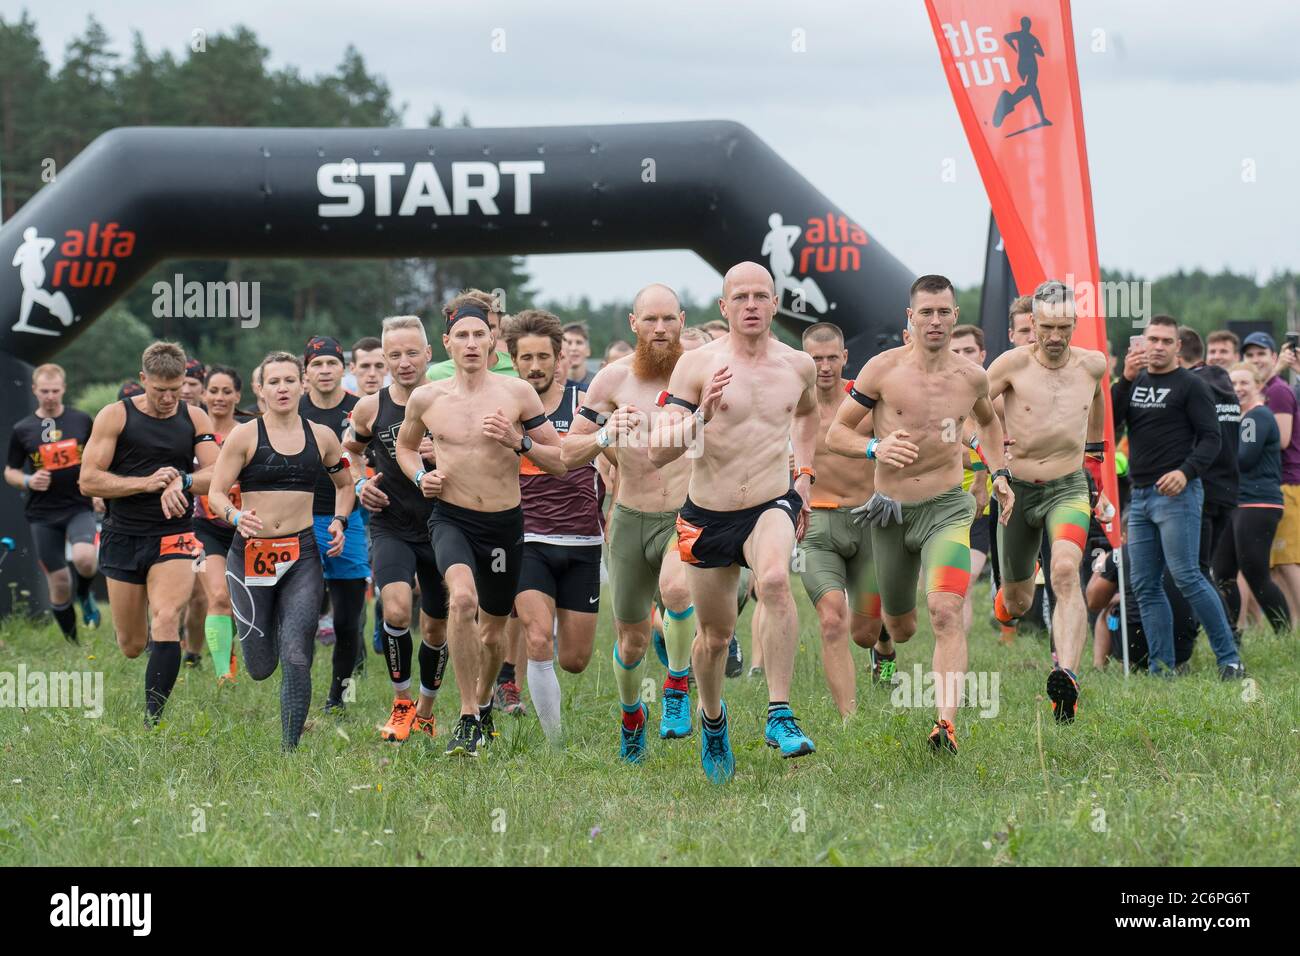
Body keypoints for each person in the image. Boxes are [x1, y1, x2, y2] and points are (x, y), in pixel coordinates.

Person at [651, 262, 820, 783]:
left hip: (770, 504)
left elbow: (809, 414)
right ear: (724, 308)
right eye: (740, 297)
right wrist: (701, 414)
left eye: (761, 296)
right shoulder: (695, 366)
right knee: (715, 638)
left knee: (773, 581)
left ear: (774, 304)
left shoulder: (798, 365)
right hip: (707, 514)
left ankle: (780, 713)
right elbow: (659, 452)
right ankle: (713, 719)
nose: (751, 304)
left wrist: (805, 475)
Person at [831, 275, 1013, 753]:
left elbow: (990, 426)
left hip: (947, 508)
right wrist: (875, 446)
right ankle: (886, 650)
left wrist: (998, 475)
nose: (936, 320)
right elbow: (836, 434)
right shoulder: (881, 370)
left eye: (944, 312)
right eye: (926, 312)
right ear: (909, 318)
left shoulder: (972, 376)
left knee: (946, 609)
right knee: (898, 626)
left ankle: (945, 723)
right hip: (890, 512)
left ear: (955, 316)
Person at [397, 301, 563, 757]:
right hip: (451, 517)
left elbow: (559, 460)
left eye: (479, 335)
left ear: (492, 342)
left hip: (503, 526)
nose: (471, 343)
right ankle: (468, 715)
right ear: (447, 344)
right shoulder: (427, 397)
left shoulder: (517, 394)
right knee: (462, 599)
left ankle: (486, 698)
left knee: (493, 635)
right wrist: (419, 477)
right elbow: (405, 448)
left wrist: (519, 441)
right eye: (461, 336)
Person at [563, 283, 699, 756]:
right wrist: (603, 434)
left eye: (668, 319)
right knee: (633, 640)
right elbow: (567, 452)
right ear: (633, 324)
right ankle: (631, 716)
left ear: (682, 319)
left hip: (685, 512)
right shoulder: (611, 380)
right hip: (628, 517)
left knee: (680, 591)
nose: (660, 329)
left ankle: (678, 686)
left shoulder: (700, 370)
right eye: (650, 320)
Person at [208, 352, 354, 749]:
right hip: (250, 554)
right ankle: (269, 623)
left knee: (296, 656)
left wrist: (339, 521)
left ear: (303, 385)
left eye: (290, 380)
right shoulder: (245, 435)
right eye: (274, 382)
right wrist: (235, 517)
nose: (283, 388)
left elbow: (345, 483)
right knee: (260, 666)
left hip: (302, 555)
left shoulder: (322, 437)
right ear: (260, 389)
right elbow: (216, 493)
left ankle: (290, 749)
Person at [985, 281, 1107, 722]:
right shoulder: (1010, 365)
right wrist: (993, 452)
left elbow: (1096, 406)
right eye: (1047, 327)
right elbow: (971, 413)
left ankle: (1067, 677)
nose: (1055, 337)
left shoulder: (1093, 365)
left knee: (1064, 571)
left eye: (1064, 327)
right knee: (1016, 603)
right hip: (1018, 490)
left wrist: (1094, 458)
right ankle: (1005, 597)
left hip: (1067, 488)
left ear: (1075, 324)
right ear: (1031, 324)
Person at [79, 342, 219, 725]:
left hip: (173, 534)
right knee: (131, 644)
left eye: (177, 389)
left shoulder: (195, 419)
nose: (169, 398)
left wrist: (184, 481)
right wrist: (146, 484)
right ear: (143, 381)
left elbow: (217, 476)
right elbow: (88, 480)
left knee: (167, 617)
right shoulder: (115, 416)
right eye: (160, 391)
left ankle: (152, 721)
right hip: (123, 536)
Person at [1112, 315, 1245, 678]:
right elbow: (1109, 422)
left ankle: (1229, 659)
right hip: (1139, 497)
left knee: (1188, 576)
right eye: (1151, 339)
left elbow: (1211, 439)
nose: (1157, 346)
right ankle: (1162, 668)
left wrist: (1185, 473)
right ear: (1142, 344)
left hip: (1178, 496)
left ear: (1177, 347)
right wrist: (1123, 378)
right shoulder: (1133, 381)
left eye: (1165, 341)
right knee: (1144, 584)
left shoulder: (1191, 385)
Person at [346, 317, 450, 739]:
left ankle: (426, 710)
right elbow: (348, 450)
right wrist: (358, 484)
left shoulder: (450, 399)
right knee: (395, 609)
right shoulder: (371, 407)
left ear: (428, 354)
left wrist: (441, 450)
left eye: (412, 353)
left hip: (444, 524)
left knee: (435, 628)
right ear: (384, 360)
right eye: (395, 356)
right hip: (390, 523)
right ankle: (401, 704)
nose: (404, 363)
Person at [503, 309, 604, 743]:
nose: (535, 367)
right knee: (539, 638)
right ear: (513, 360)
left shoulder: (585, 404)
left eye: (544, 356)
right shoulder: (503, 406)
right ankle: (556, 745)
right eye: (526, 358)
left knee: (576, 660)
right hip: (527, 538)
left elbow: (616, 457)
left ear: (560, 358)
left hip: (583, 540)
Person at [794, 323, 885, 716]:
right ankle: (850, 719)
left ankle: (885, 651)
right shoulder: (793, 405)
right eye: (816, 359)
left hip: (869, 522)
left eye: (832, 357)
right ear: (804, 360)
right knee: (832, 619)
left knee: (865, 633)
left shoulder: (865, 399)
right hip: (817, 526)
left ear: (845, 357)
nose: (825, 366)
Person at [4, 363, 100, 642]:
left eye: (55, 391)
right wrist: (27, 481)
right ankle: (73, 644)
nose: (50, 396)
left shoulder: (82, 420)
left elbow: (97, 459)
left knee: (85, 559)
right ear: (34, 390)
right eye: (44, 391)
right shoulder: (23, 429)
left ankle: (84, 593)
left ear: (64, 389)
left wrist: (97, 491)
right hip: (43, 513)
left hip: (78, 505)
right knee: (59, 584)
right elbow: (9, 471)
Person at [300, 335, 369, 709]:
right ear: (305, 372)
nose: (325, 371)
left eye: (331, 363)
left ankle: (338, 698)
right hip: (299, 521)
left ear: (344, 369)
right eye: (317, 364)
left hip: (350, 519)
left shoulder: (362, 408)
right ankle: (299, 692)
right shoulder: (291, 410)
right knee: (303, 618)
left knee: (347, 620)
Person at [1213, 363, 1289, 632]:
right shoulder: (1240, 419)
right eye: (1233, 384)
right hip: (1235, 504)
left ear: (1259, 386)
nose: (1238, 389)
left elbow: (1244, 459)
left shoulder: (1256, 417)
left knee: (1256, 574)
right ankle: (1233, 634)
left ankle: (1284, 634)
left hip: (1257, 503)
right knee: (1223, 573)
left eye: (1245, 383)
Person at [191, 365, 250, 683]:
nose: (219, 397)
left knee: (250, 603)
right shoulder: (191, 435)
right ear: (203, 394)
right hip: (202, 528)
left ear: (238, 396)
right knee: (217, 596)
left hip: (248, 526)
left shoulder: (249, 432)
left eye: (227, 391)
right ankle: (223, 671)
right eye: (213, 391)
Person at [1178, 326, 1241, 591]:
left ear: (1177, 352)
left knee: (1196, 572)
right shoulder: (1224, 381)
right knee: (1215, 572)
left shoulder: (1191, 387)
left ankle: (1226, 632)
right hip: (1228, 489)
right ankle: (1221, 630)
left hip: (1201, 487)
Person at [1242, 332, 1300, 616]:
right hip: (1277, 483)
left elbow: (1283, 439)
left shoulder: (1276, 391)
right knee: (1275, 564)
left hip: (1288, 481)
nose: (1256, 360)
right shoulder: (1262, 390)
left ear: (1274, 357)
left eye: (1261, 354)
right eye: (1250, 355)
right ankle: (1289, 629)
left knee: (1289, 561)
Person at [949, 325, 995, 635]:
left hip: (988, 507)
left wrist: (978, 464)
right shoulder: (941, 397)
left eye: (968, 351)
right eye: (956, 352)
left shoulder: (996, 394)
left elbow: (1001, 451)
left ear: (982, 355)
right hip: (946, 502)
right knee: (952, 589)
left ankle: (1006, 611)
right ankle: (956, 657)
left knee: (964, 584)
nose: (962, 357)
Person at [179, 356, 210, 667]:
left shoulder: (206, 423)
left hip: (201, 524)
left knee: (200, 597)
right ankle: (162, 636)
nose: (186, 389)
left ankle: (193, 654)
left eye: (192, 384)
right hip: (163, 522)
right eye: (182, 383)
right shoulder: (156, 420)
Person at [426, 290, 518, 381]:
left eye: (490, 327)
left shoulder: (517, 367)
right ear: (446, 340)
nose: (472, 342)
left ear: (500, 329)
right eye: (462, 334)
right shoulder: (437, 375)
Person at [562, 322, 594, 387]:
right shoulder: (551, 385)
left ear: (588, 350)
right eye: (569, 342)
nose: (574, 348)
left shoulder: (598, 382)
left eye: (579, 343)